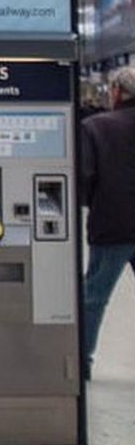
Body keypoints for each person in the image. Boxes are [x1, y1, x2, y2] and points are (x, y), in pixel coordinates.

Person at [81, 66, 135, 381]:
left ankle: (83, 362)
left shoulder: (96, 127)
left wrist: (96, 203)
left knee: (95, 297)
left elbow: (85, 177)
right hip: (115, 223)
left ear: (116, 92)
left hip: (112, 224)